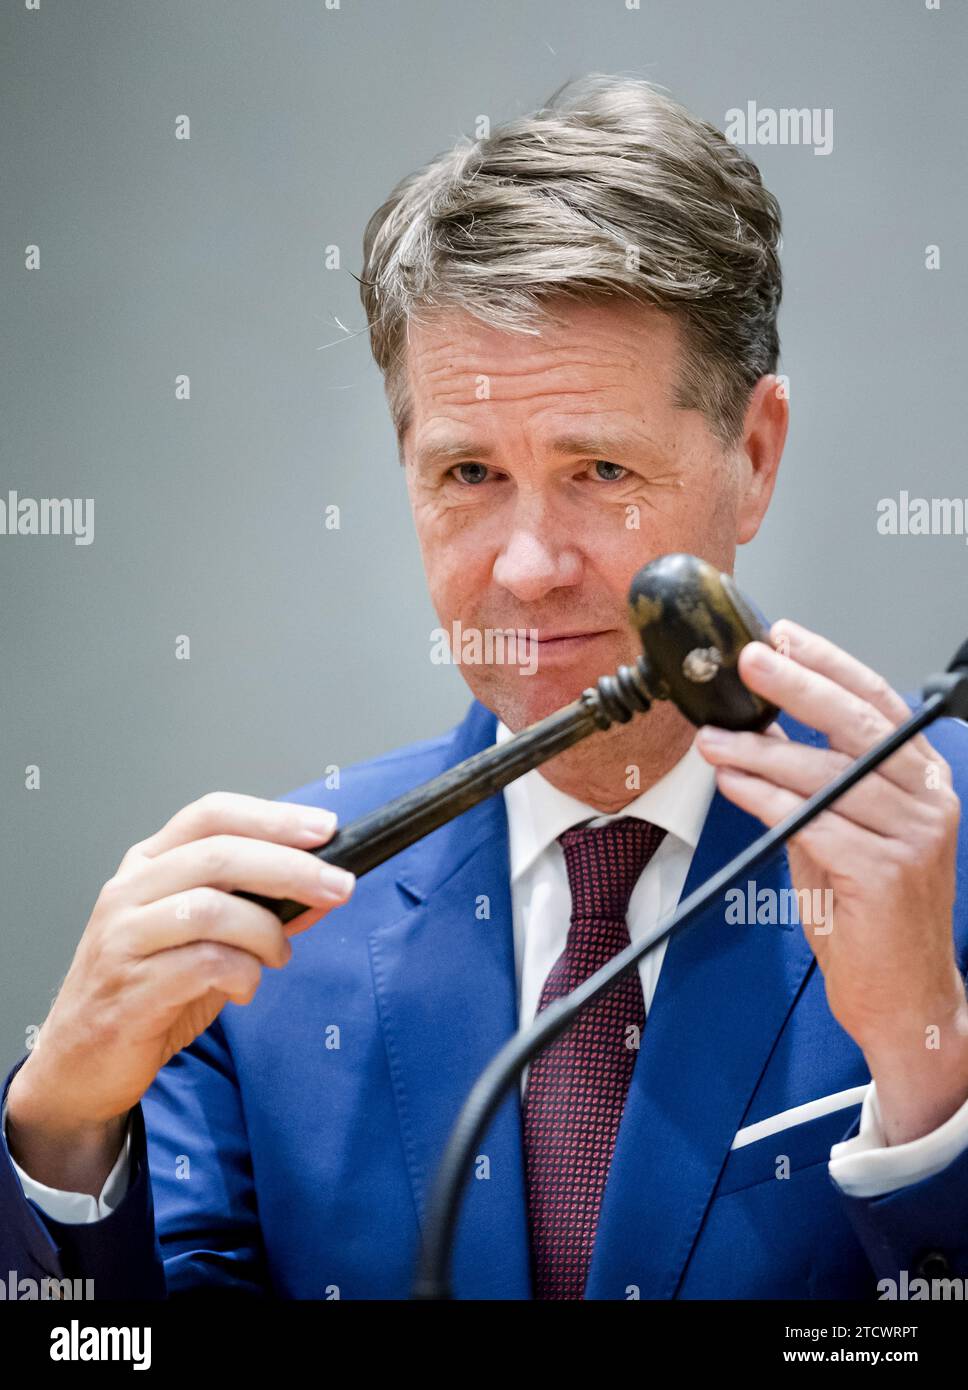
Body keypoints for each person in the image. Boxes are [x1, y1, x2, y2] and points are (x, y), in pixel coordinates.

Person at [2, 73, 967, 1301]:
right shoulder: (268, 945)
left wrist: (926, 1070)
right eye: (466, 472)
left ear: (752, 457)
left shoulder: (953, 857)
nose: (524, 567)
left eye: (600, 468)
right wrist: (63, 1133)